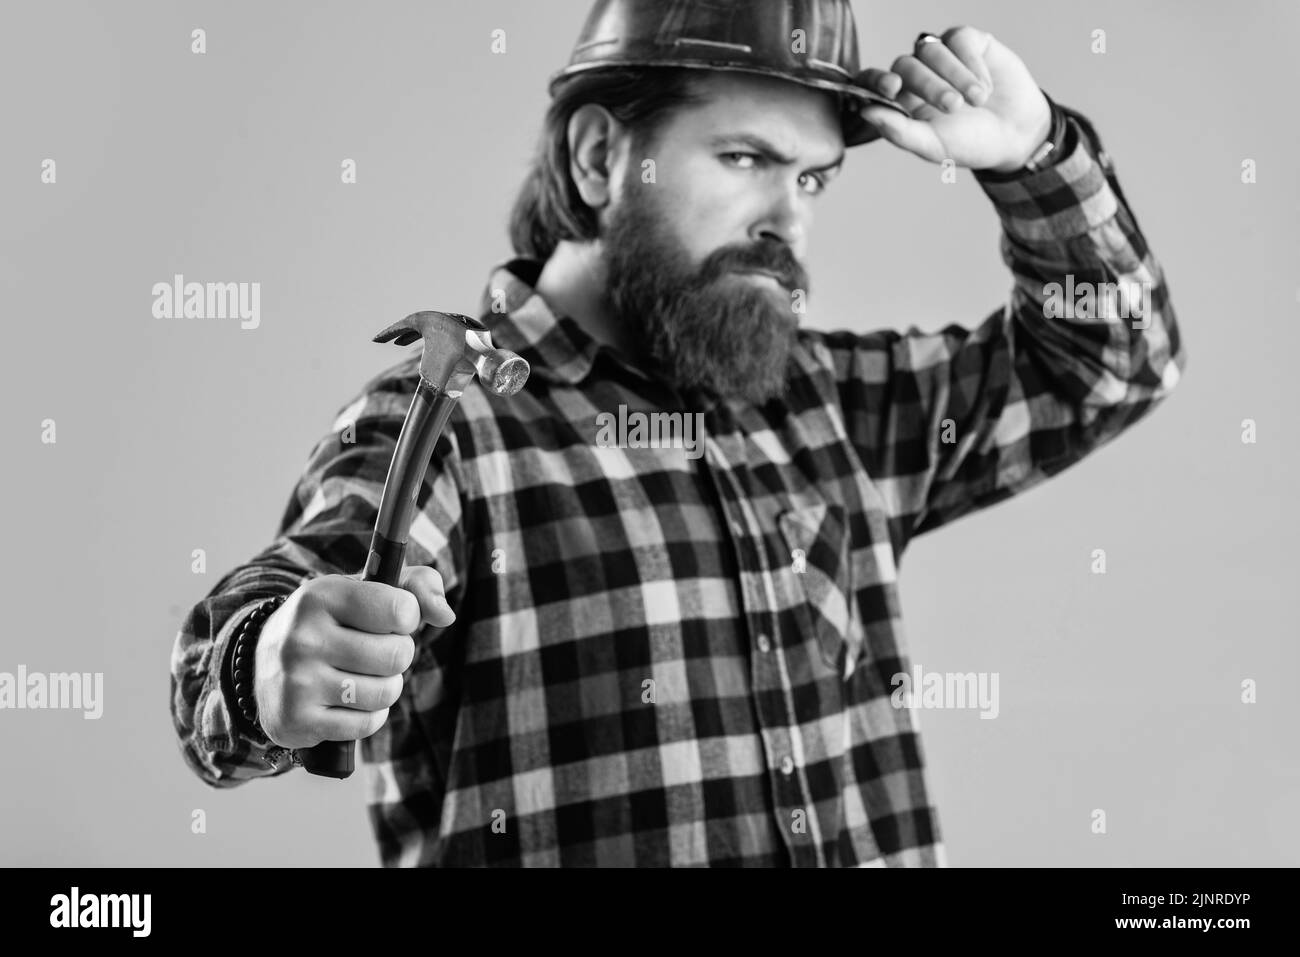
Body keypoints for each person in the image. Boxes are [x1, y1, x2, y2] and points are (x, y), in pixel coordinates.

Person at [169, 4, 1186, 867]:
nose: (787, 220)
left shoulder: (825, 403)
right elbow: (258, 636)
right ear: (604, 155)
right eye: (746, 159)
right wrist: (265, 668)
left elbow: (1108, 367)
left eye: (814, 179)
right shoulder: (449, 421)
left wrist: (1036, 154)